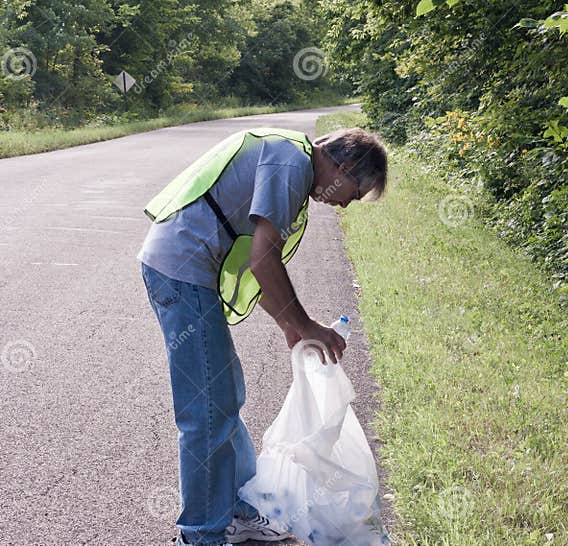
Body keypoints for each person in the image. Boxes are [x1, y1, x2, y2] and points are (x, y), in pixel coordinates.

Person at [136, 126, 388, 546]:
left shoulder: (292, 160)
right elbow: (263, 257)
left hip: (186, 267)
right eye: (353, 194)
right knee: (207, 411)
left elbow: (260, 265)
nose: (344, 205)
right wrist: (305, 325)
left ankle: (238, 510)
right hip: (180, 267)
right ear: (343, 168)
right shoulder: (291, 162)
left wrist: (290, 324)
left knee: (224, 397)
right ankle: (200, 534)